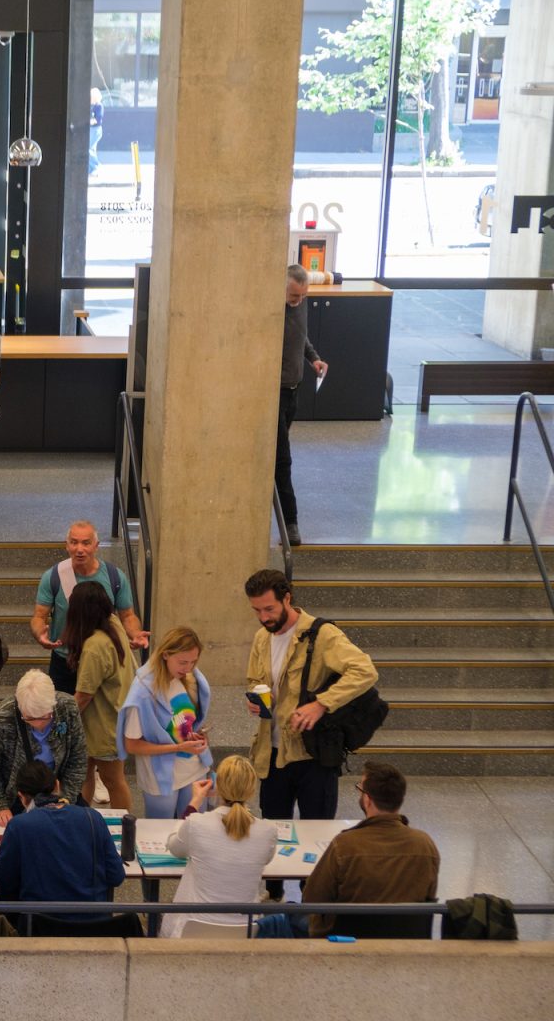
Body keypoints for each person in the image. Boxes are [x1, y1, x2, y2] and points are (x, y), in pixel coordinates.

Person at [244, 569, 378, 838]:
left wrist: (321, 704)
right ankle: (273, 883)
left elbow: (365, 671)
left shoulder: (322, 634)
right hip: (272, 754)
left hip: (313, 755)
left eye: (269, 609)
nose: (263, 618)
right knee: (272, 835)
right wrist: (256, 700)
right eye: (257, 611)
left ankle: (312, 882)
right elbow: (254, 679)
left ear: (287, 599)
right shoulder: (262, 638)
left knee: (316, 837)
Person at [257, 761, 439, 939]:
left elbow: (312, 899)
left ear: (367, 799)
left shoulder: (345, 845)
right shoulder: (426, 845)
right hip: (405, 937)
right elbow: (427, 898)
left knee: (281, 917)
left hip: (345, 936)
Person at [160, 755, 277, 938]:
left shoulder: (197, 823)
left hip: (192, 928)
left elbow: (175, 847)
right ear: (252, 790)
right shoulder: (268, 830)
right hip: (244, 930)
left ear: (218, 786)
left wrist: (194, 802)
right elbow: (267, 858)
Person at [0, 761, 125, 920]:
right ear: (57, 785)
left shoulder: (19, 826)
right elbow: (116, 876)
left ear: (21, 796)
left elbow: (2, 882)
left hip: (39, 928)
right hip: (93, 927)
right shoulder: (92, 817)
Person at [30, 520, 148, 694]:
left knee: (100, 718)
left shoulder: (115, 577)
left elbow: (128, 615)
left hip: (103, 659)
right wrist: (40, 634)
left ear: (96, 546)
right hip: (65, 661)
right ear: (66, 545)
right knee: (64, 716)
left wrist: (136, 634)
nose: (80, 549)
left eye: (86, 543)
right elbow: (39, 616)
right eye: (74, 542)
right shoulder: (53, 577)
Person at [117, 626, 213, 818]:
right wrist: (178, 748)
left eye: (193, 662)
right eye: (183, 662)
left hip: (193, 767)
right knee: (161, 834)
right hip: (161, 776)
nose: (188, 668)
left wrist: (197, 735)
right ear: (166, 655)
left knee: (194, 830)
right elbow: (132, 745)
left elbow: (183, 723)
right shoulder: (143, 692)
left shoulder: (188, 677)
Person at [0, 669, 87, 822]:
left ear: (53, 705)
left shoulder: (68, 708)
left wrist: (66, 799)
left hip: (58, 790)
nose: (38, 724)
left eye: (44, 717)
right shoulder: (4, 714)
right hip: (19, 796)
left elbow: (78, 759)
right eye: (29, 718)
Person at [63, 581, 134, 810]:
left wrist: (60, 720)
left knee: (113, 780)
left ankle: (124, 830)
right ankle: (84, 819)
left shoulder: (95, 645)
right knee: (82, 775)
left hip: (105, 725)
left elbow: (83, 696)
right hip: (109, 719)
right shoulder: (114, 624)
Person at [277, 264, 327, 547]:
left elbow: (301, 336)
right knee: (282, 462)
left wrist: (313, 358)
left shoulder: (299, 304)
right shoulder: (272, 311)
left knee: (276, 460)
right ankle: (291, 523)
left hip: (293, 391)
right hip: (274, 394)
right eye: (294, 296)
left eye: (303, 296)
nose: (299, 301)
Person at [88, 88, 104, 177]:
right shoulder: (92, 106)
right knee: (92, 149)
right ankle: (91, 170)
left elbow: (98, 119)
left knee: (89, 149)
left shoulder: (99, 106)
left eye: (91, 96)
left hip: (95, 130)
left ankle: (94, 167)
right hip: (91, 129)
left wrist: (88, 121)